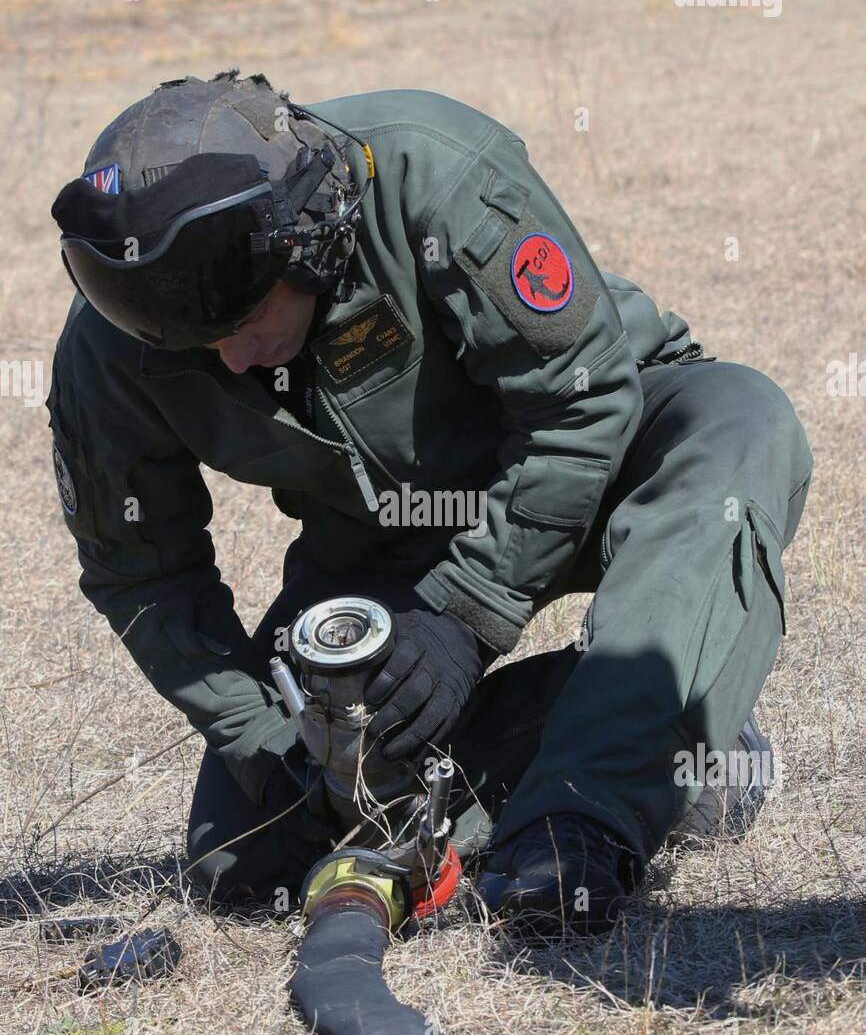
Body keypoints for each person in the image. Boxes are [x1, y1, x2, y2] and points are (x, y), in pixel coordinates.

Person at [47, 70, 813, 935]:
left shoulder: (427, 167)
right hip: (386, 535)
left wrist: (464, 618)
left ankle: (582, 812)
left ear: (308, 236)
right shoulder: (120, 340)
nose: (228, 361)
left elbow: (581, 406)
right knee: (247, 855)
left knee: (744, 421)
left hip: (598, 448)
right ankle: (676, 745)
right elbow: (140, 570)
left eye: (246, 318)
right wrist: (275, 749)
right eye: (195, 338)